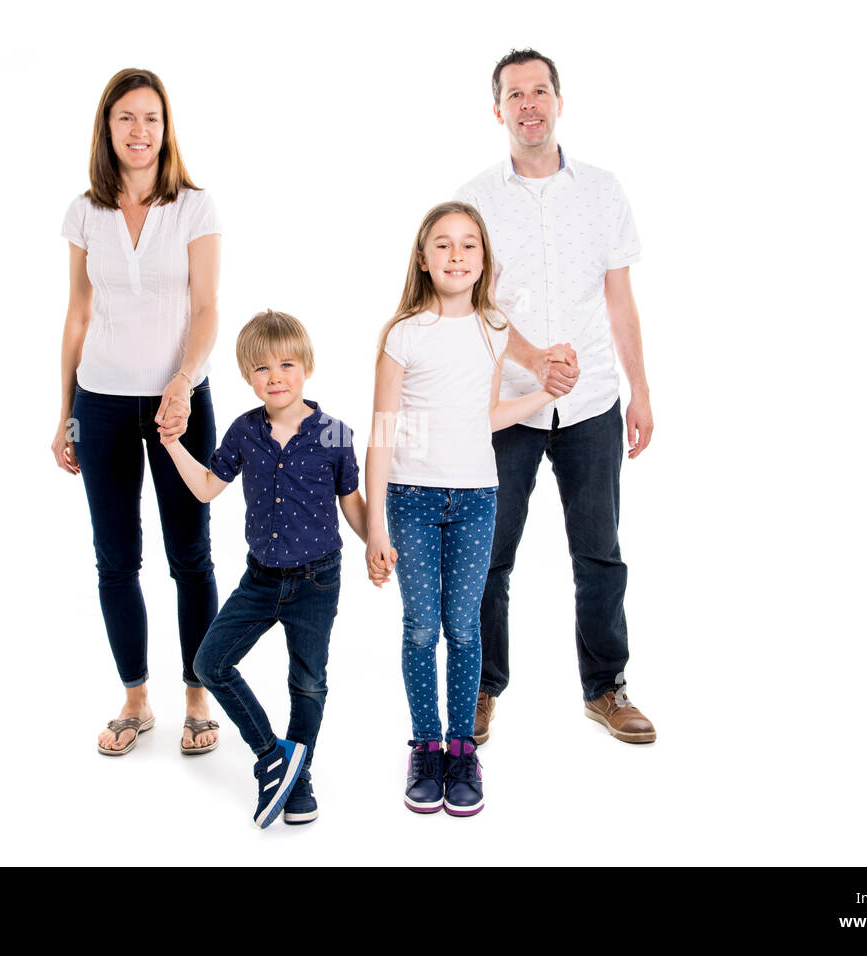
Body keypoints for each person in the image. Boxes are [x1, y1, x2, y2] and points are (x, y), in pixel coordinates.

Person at [455, 49, 658, 745]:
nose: (529, 104)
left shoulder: (602, 190)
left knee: (599, 552)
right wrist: (534, 360)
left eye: (540, 90)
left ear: (559, 101)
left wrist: (641, 392)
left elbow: (621, 302)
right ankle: (480, 687)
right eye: (516, 95)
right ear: (498, 110)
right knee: (490, 555)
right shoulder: (476, 199)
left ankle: (606, 688)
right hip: (509, 403)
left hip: (595, 401)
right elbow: (470, 302)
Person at [365, 201, 568, 816]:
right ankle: (425, 746)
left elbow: (483, 416)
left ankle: (462, 749)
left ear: (484, 260)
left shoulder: (494, 329)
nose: (457, 256)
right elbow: (381, 433)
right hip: (412, 499)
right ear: (424, 261)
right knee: (422, 628)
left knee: (464, 626)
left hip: (478, 498)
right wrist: (374, 525)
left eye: (469, 245)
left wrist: (540, 393)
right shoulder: (404, 334)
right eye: (444, 245)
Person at [52, 68, 223, 757]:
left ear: (166, 127)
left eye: (151, 117)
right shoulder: (84, 211)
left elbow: (208, 306)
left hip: (181, 402)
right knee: (115, 559)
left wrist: (182, 381)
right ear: (108, 127)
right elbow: (76, 314)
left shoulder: (195, 207)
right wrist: (64, 413)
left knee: (191, 556)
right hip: (102, 404)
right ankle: (134, 699)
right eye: (126, 117)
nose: (140, 130)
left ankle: (196, 696)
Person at [162, 310, 368, 828]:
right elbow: (209, 487)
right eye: (261, 369)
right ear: (247, 376)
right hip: (260, 580)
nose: (275, 377)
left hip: (318, 579)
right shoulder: (243, 432)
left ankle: (299, 782)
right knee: (210, 664)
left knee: (308, 682)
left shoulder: (333, 435)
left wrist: (379, 543)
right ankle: (273, 756)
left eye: (286, 364)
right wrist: (170, 445)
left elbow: (353, 503)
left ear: (308, 367)